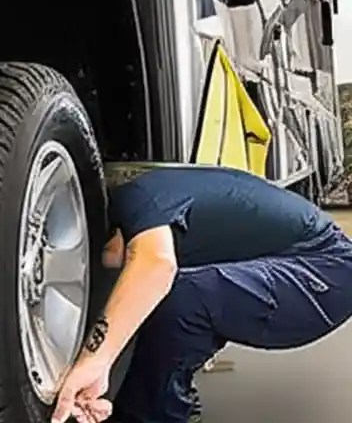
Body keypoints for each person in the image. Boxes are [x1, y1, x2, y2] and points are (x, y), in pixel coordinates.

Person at [51, 165, 352, 423]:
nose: (105, 266)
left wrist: (94, 361)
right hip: (313, 260)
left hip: (323, 273)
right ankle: (168, 397)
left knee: (180, 299)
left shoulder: (138, 201)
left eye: (102, 256)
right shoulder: (153, 200)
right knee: (146, 297)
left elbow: (155, 266)